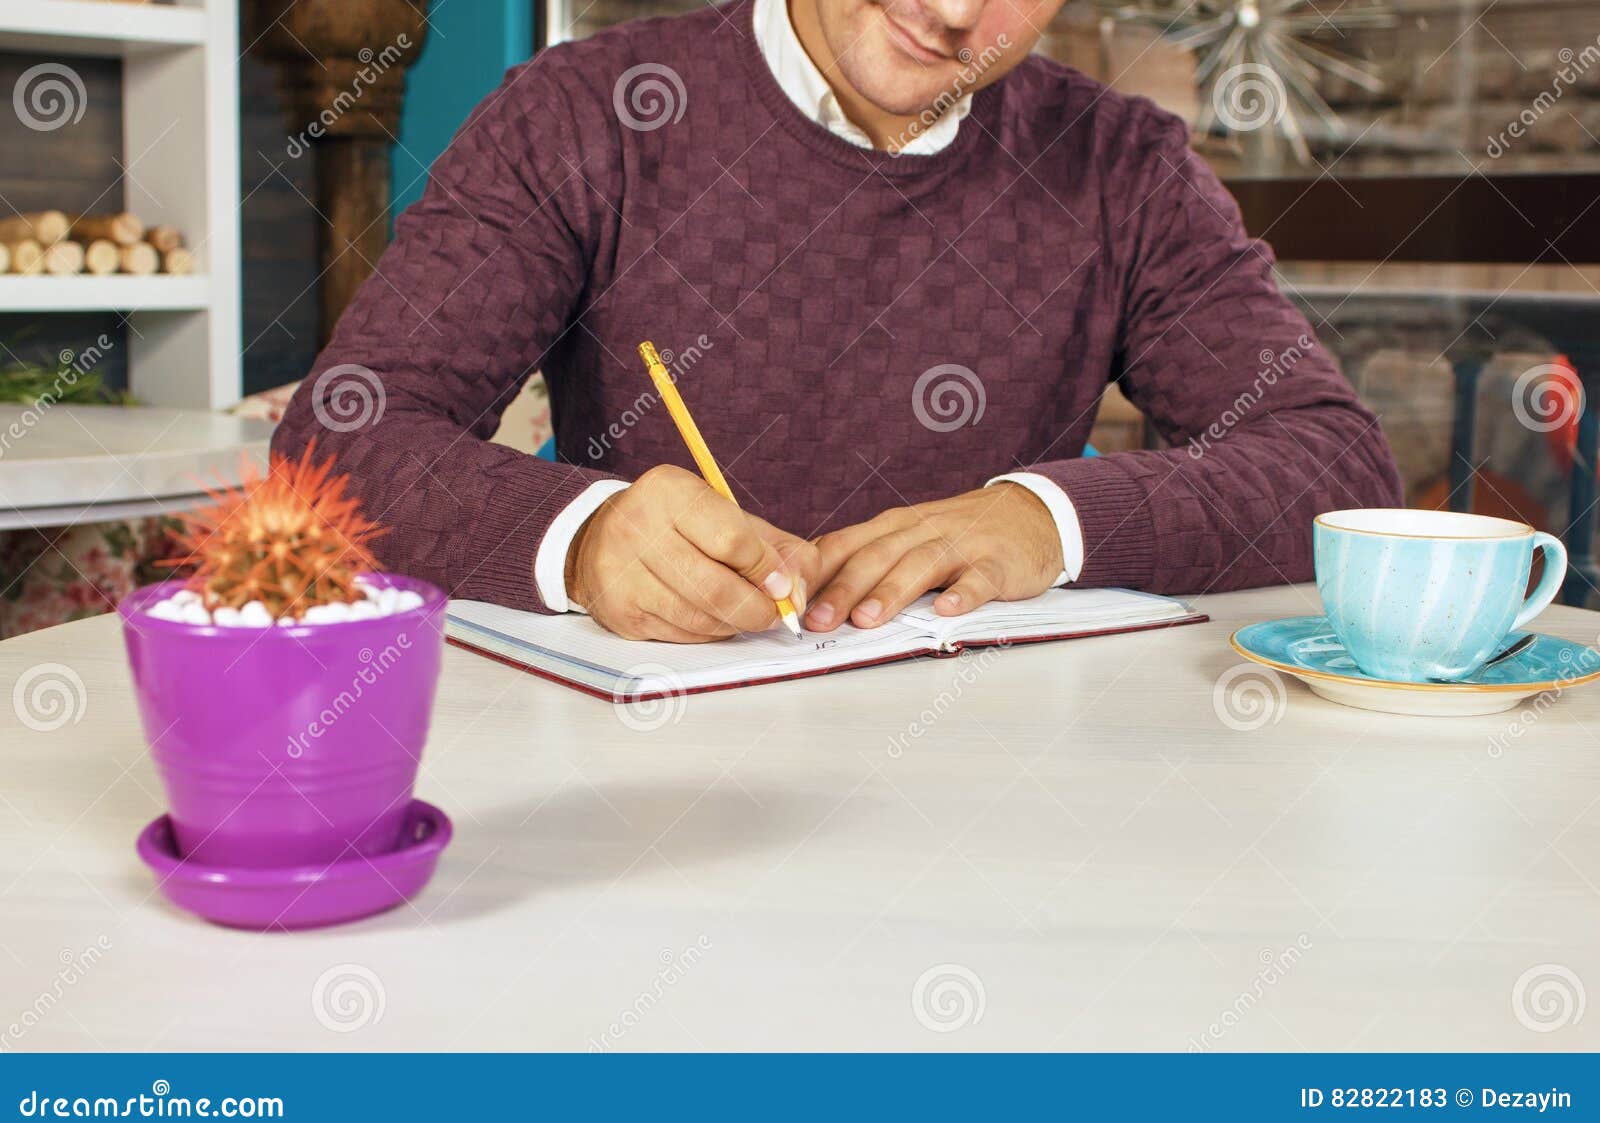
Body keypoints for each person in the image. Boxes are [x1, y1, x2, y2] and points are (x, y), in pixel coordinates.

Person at [272, 0, 1401, 644]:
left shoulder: (1122, 166)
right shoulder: (587, 115)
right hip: (658, 772)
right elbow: (338, 440)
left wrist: (1050, 522)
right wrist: (584, 537)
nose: (954, 14)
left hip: (999, 781)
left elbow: (1336, 469)